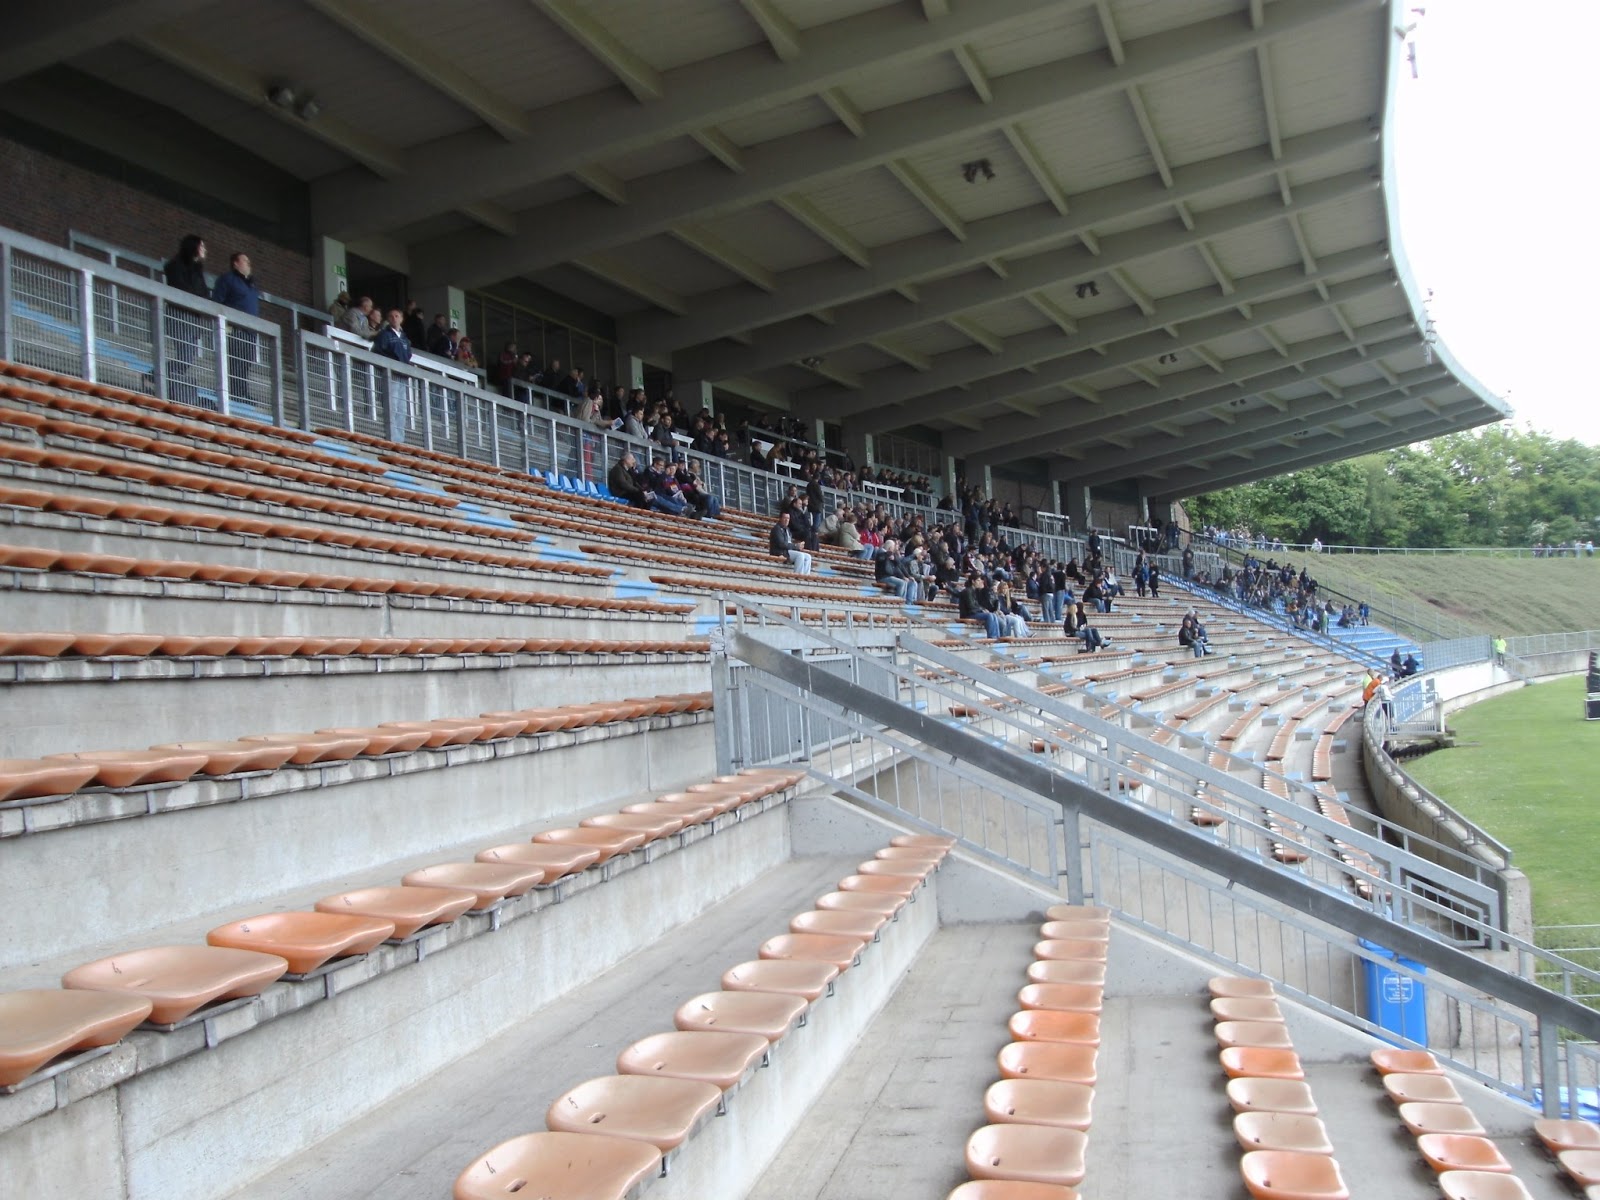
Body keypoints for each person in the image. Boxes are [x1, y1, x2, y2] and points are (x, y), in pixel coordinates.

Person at [161, 234, 209, 402]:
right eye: (202, 246)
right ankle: (157, 376)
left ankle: (163, 378)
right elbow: (181, 288)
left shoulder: (198, 269)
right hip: (179, 315)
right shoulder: (174, 266)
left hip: (193, 318)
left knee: (190, 356)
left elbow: (204, 292)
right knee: (186, 356)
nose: (204, 250)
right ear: (193, 247)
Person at [210, 252, 260, 404]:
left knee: (246, 361)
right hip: (235, 327)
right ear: (235, 263)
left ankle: (243, 392)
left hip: (250, 330)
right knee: (236, 360)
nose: (249, 264)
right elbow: (218, 301)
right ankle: (235, 392)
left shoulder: (250, 284)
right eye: (245, 261)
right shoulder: (227, 280)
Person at [769, 510, 812, 574]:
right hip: (781, 552)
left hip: (788, 551)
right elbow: (781, 544)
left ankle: (805, 576)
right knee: (800, 556)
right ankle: (798, 575)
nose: (787, 520)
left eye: (788, 518)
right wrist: (795, 546)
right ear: (780, 518)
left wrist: (798, 546)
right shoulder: (777, 529)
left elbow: (789, 543)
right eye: (785, 518)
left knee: (808, 556)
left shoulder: (787, 529)